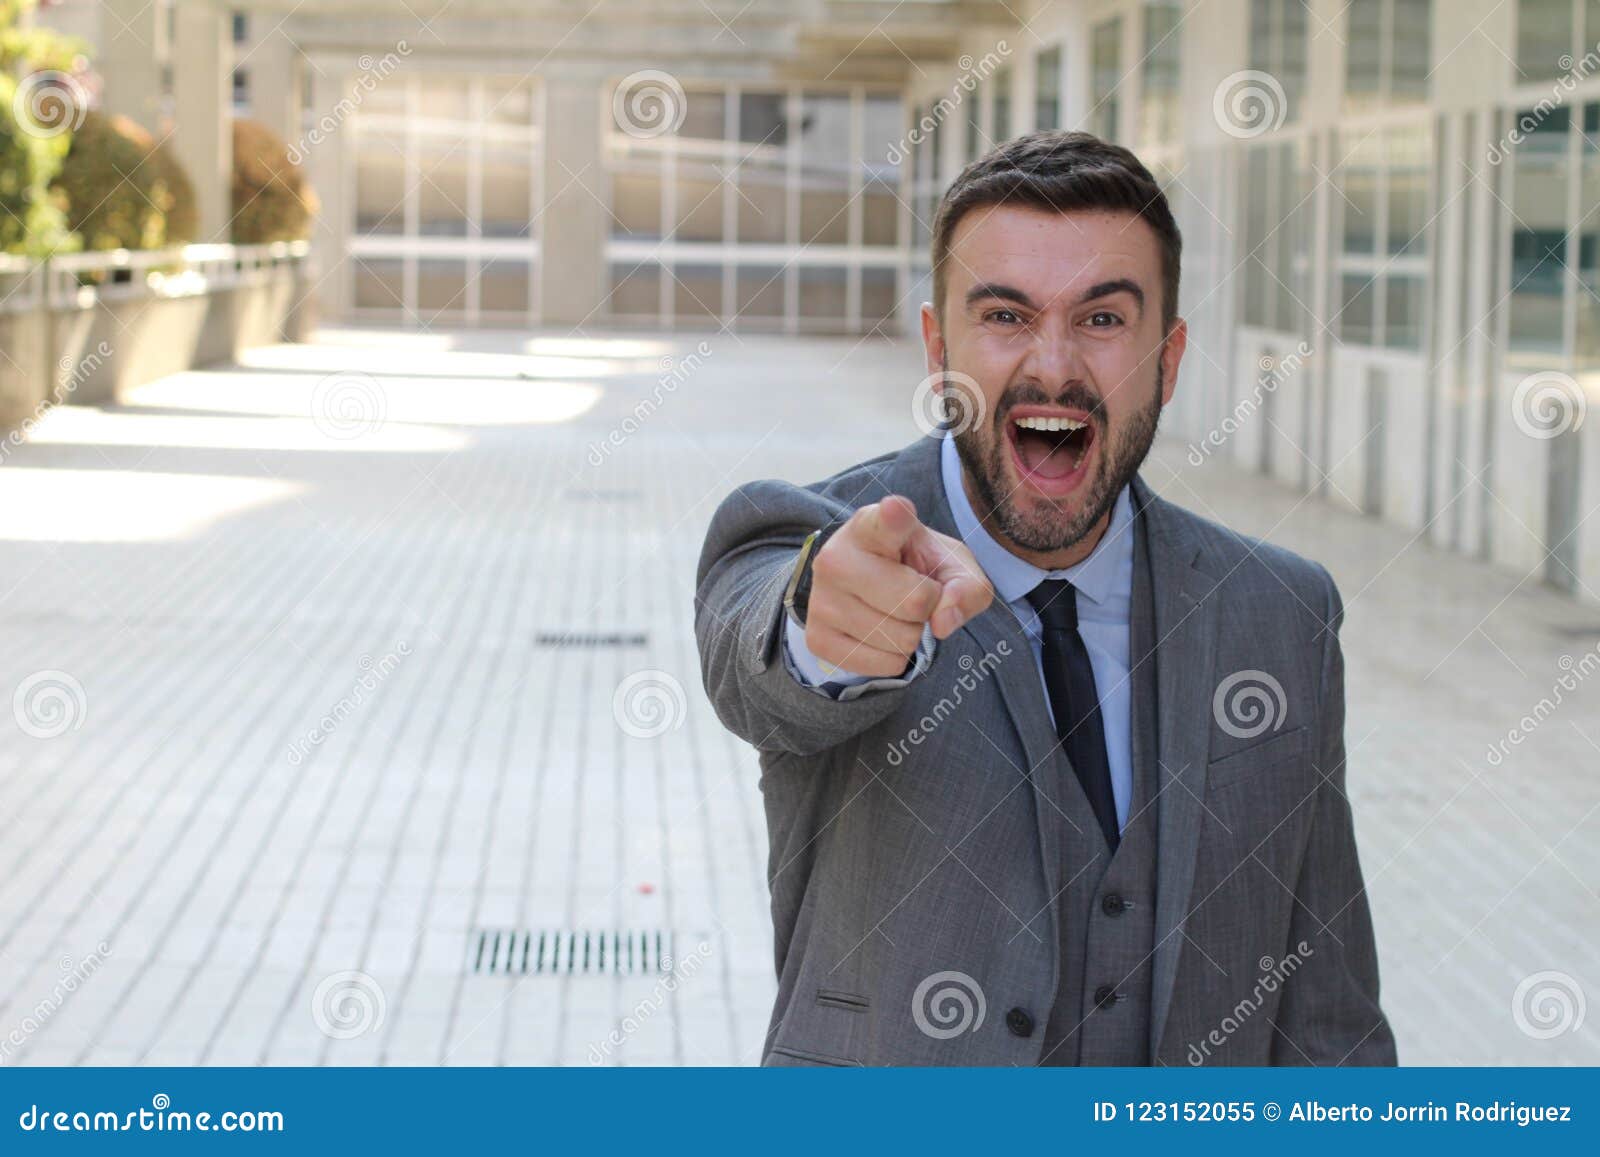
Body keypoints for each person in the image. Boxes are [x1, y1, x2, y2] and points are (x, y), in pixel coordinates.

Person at [694, 131, 1395, 1066]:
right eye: (1006, 317)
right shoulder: (831, 542)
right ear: (938, 346)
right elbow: (760, 645)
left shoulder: (1283, 612)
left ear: (1169, 358)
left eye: (1103, 320)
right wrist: (829, 627)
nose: (1054, 366)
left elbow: (1327, 1011)